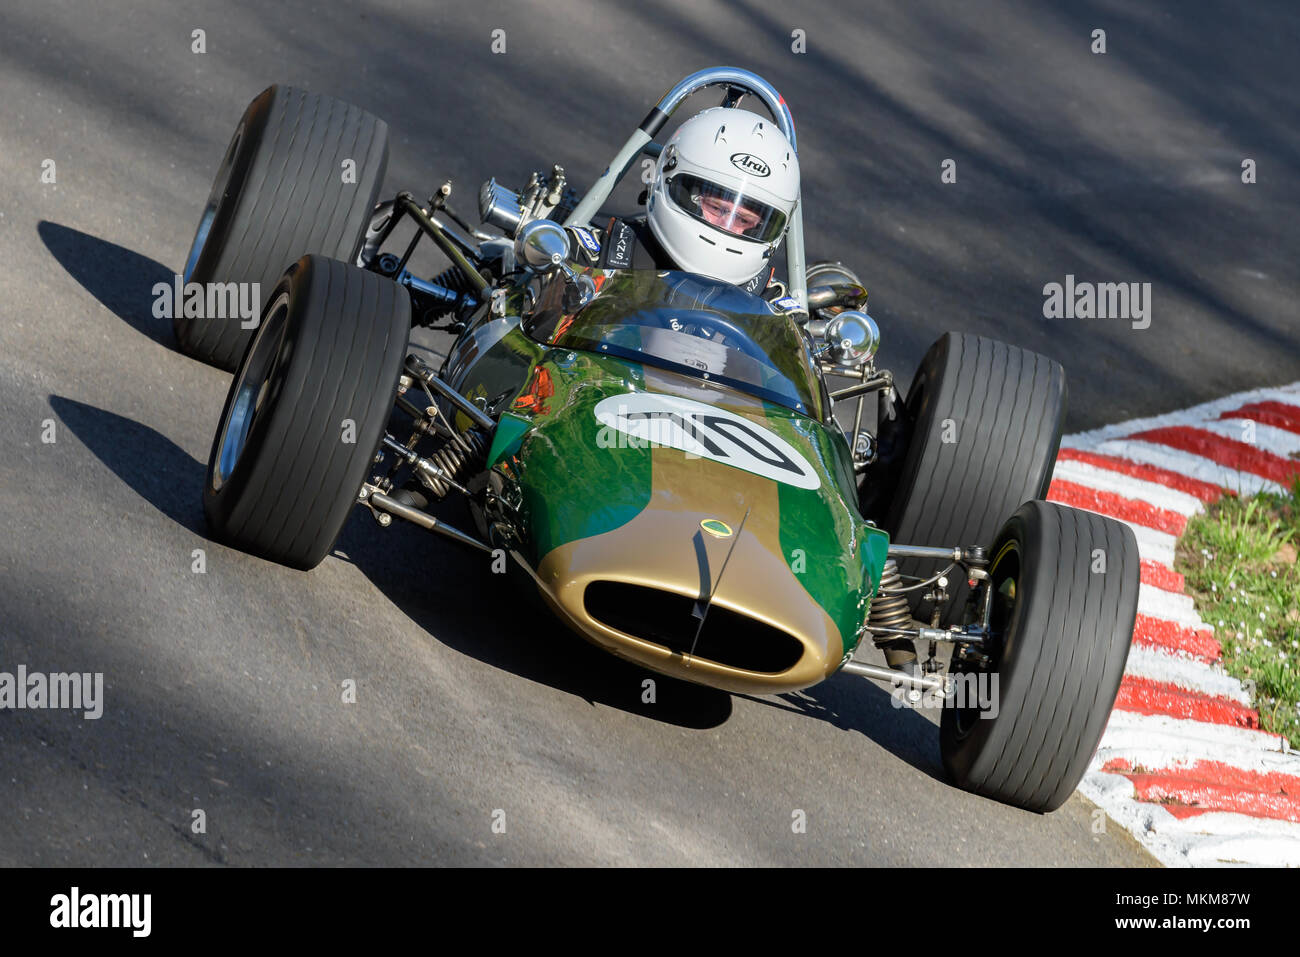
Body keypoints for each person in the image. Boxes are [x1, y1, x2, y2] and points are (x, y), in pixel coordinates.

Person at [566, 107, 801, 302]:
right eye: (716, 208)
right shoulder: (590, 257)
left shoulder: (773, 307)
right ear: (669, 182)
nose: (726, 225)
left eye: (743, 220)